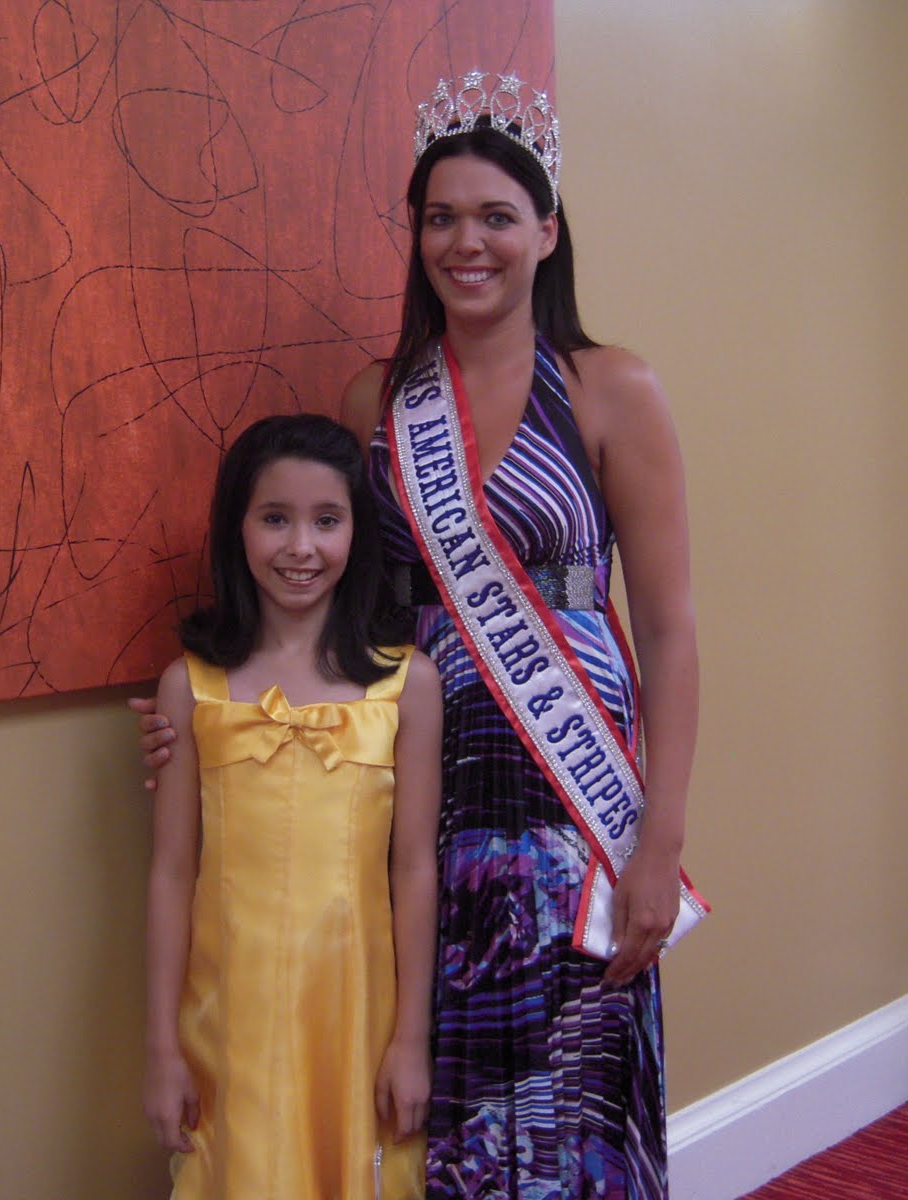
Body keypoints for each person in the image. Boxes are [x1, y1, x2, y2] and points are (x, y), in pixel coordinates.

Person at [138, 72, 698, 1198]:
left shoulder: (610, 388)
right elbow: (338, 613)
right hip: (424, 807)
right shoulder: (376, 402)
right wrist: (201, 724)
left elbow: (674, 632)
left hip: (570, 801)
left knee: (575, 1092)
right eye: (439, 217)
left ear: (547, 230)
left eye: (496, 215)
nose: (466, 242)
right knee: (447, 1111)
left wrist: (660, 845)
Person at [142, 414, 442, 1199]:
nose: (300, 547)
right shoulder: (191, 687)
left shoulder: (404, 686)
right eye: (275, 518)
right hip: (230, 1014)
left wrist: (411, 1038)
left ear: (357, 531)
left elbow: (413, 867)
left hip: (355, 1010)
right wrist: (162, 1048)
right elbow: (173, 873)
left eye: (326, 520)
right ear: (236, 526)